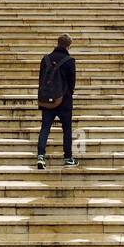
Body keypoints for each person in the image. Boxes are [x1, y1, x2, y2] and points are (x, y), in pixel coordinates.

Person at [37, 34, 77, 168]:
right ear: (68, 45)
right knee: (66, 130)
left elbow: (41, 79)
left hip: (47, 100)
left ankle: (41, 156)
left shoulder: (45, 59)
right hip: (64, 100)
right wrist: (68, 94)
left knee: (45, 128)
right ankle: (68, 157)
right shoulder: (69, 61)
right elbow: (72, 84)